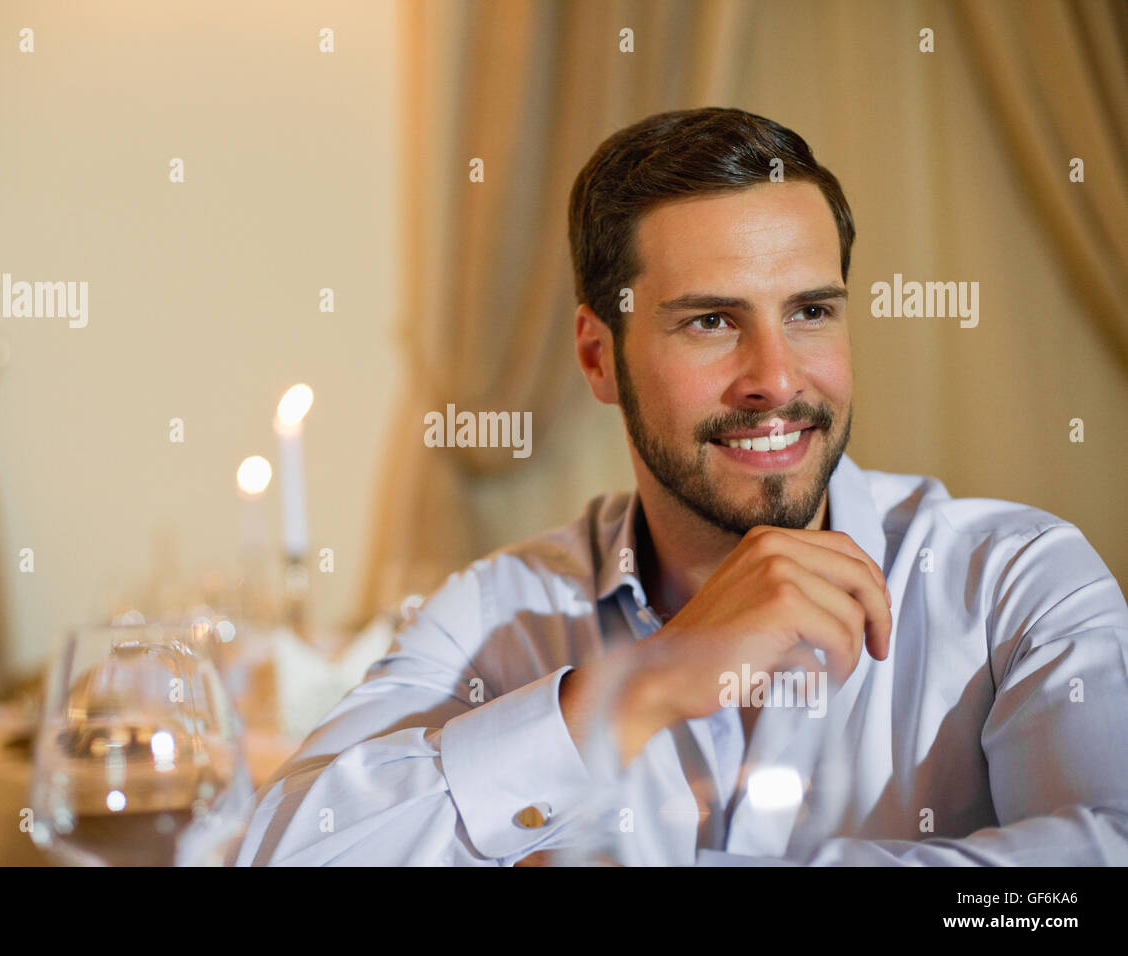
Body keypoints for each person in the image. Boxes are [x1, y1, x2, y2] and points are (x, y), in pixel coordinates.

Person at [239, 108, 1128, 866]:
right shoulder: (496, 617)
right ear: (599, 356)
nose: (776, 380)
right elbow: (284, 855)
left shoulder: (1015, 582)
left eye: (811, 311)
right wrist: (645, 681)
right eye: (711, 322)